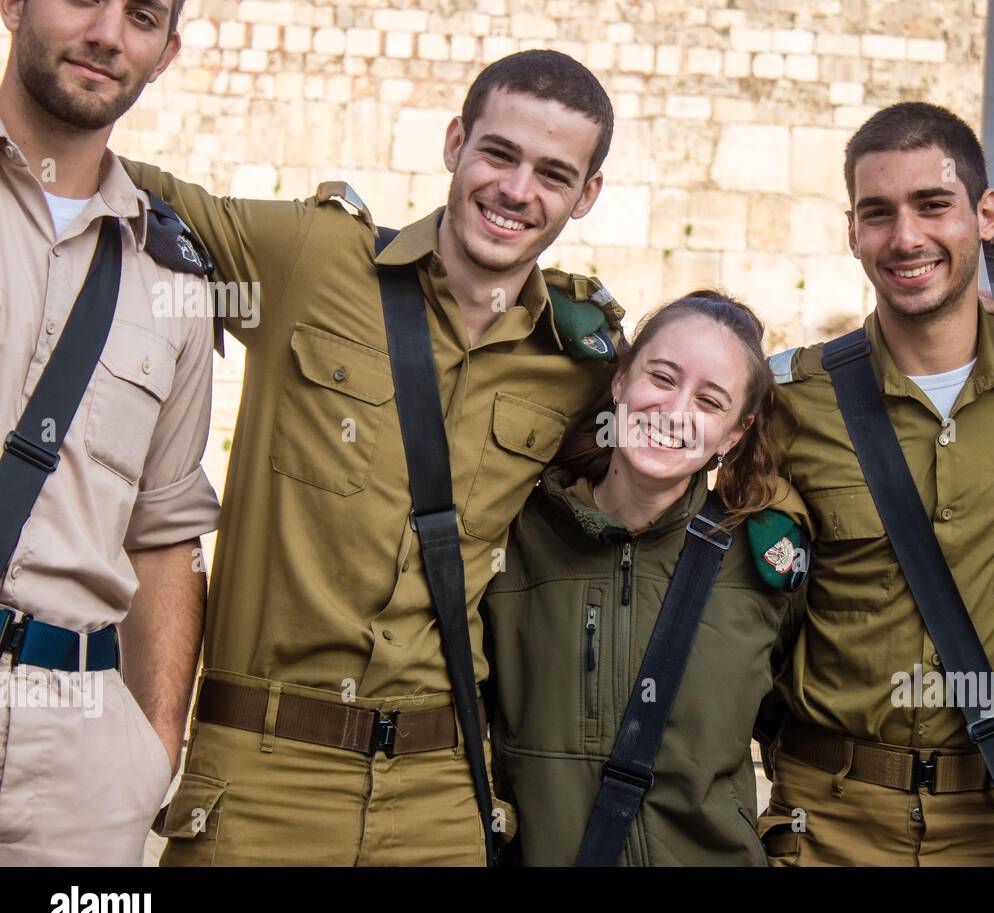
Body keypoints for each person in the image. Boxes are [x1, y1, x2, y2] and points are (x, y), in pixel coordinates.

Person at [123, 50, 626, 865]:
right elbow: (109, 186)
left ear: (587, 194)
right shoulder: (308, 261)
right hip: (262, 777)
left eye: (553, 173)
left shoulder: (581, 360)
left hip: (443, 795)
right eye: (498, 153)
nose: (516, 191)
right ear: (456, 142)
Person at [758, 102, 994, 866]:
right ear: (852, 229)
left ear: (986, 214)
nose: (906, 238)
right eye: (878, 213)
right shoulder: (792, 403)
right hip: (828, 823)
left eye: (933, 205)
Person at [0, 0, 220, 864]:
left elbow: (165, 533)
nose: (106, 33)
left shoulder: (175, 279)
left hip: (79, 766)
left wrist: (152, 749)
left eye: (139, 15)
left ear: (165, 52)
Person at [483, 291, 807, 866]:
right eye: (661, 377)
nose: (675, 413)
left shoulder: (761, 569)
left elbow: (802, 734)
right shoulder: (514, 536)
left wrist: (782, 846)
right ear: (621, 380)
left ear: (734, 434)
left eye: (710, 401)